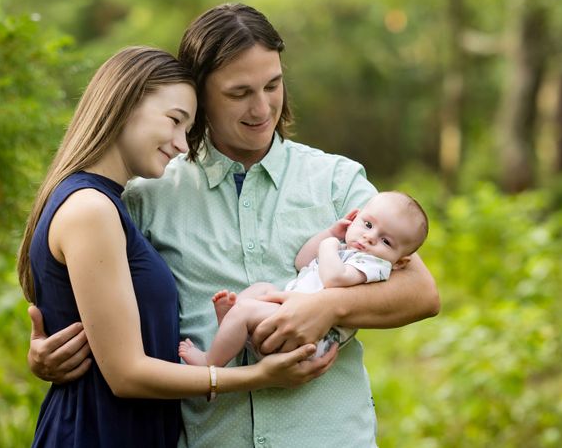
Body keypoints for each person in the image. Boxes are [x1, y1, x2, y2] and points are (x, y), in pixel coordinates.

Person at [27, 5, 440, 448]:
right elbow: (98, 302)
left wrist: (328, 308)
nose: (261, 107)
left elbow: (420, 291)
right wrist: (47, 353)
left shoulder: (336, 180)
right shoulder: (150, 188)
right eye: (239, 93)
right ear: (200, 96)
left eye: (272, 85)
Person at [18, 46, 329, 448]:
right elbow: (126, 374)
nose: (182, 144)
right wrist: (258, 376)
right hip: (97, 432)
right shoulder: (91, 209)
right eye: (174, 120)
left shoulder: (109, 204)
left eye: (189, 128)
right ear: (125, 104)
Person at [178, 191, 429, 368]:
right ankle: (232, 325)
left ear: (400, 262)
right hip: (290, 316)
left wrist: (329, 245)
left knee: (245, 310)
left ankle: (210, 361)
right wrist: (330, 233)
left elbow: (334, 279)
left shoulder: (375, 265)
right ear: (355, 217)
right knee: (262, 288)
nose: (370, 237)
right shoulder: (346, 250)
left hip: (311, 338)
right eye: (367, 224)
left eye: (386, 241)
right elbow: (302, 262)